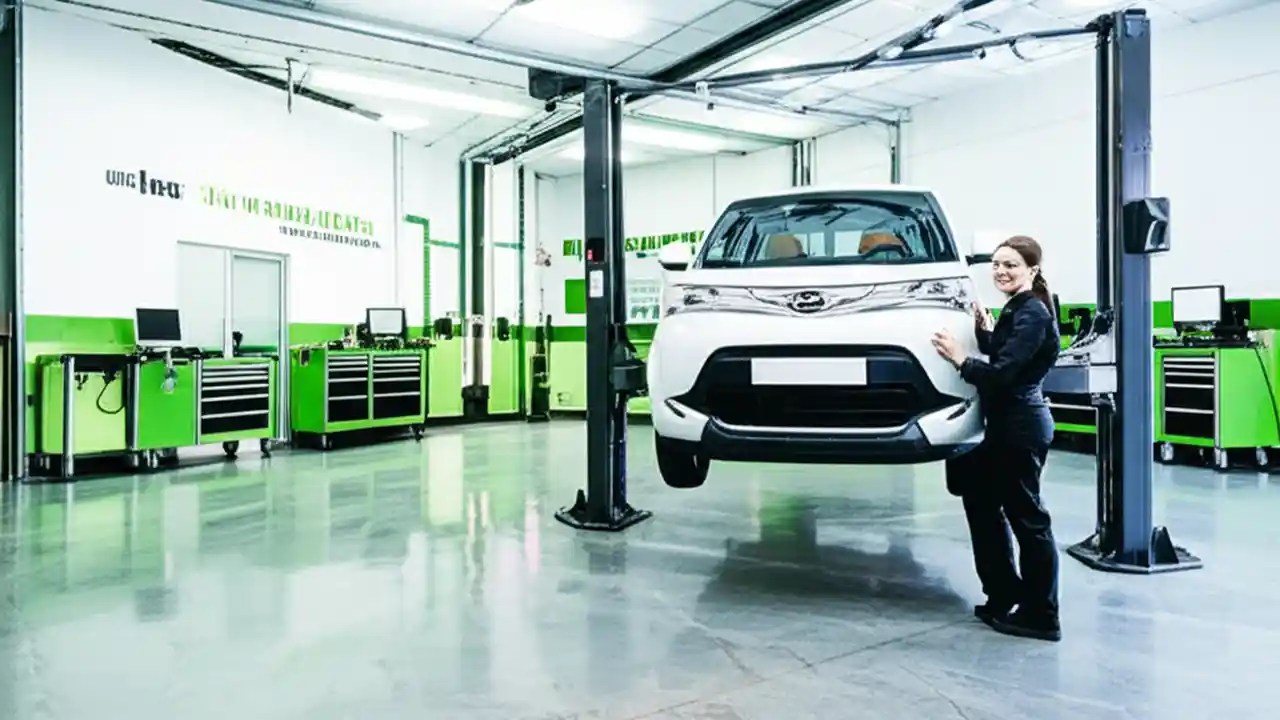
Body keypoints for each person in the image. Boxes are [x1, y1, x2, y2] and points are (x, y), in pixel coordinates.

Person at [930, 235, 1062, 642]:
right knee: (982, 508)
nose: (1002, 272)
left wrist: (960, 358)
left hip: (1019, 428)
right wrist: (983, 332)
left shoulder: (1034, 313)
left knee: (1028, 519)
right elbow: (1006, 353)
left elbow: (1003, 375)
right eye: (998, 265)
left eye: (1012, 266)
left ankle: (1042, 613)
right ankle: (1003, 593)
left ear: (1032, 270)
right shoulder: (1018, 309)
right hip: (998, 428)